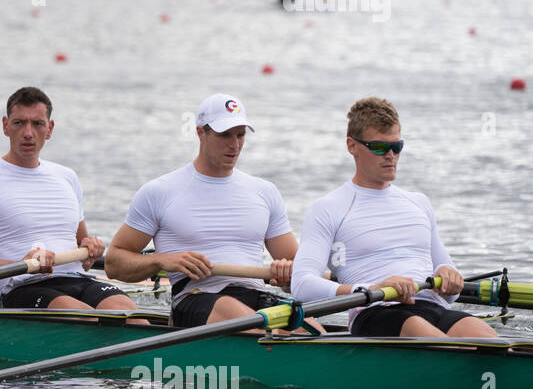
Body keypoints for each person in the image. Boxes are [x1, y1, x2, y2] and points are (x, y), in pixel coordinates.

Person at [107, 94, 321, 332]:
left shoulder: (265, 192)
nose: (235, 144)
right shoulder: (159, 192)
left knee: (313, 332)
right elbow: (114, 264)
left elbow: (300, 271)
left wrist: (288, 277)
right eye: (225, 135)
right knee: (236, 313)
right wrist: (161, 259)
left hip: (255, 296)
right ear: (200, 133)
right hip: (195, 298)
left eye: (241, 135)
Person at [291, 97, 495, 338]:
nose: (390, 155)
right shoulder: (328, 208)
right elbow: (302, 285)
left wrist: (448, 274)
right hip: (376, 311)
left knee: (492, 342)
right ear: (352, 146)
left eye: (397, 147)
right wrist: (372, 289)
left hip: (432, 306)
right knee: (454, 350)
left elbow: (450, 293)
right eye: (379, 147)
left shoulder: (419, 203)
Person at [0, 86, 140, 316]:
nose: (28, 133)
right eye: (19, 123)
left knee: (130, 314)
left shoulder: (67, 177)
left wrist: (90, 248)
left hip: (77, 279)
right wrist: (20, 263)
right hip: (22, 286)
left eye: (37, 124)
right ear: (5, 126)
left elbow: (82, 250)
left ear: (50, 129)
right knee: (82, 316)